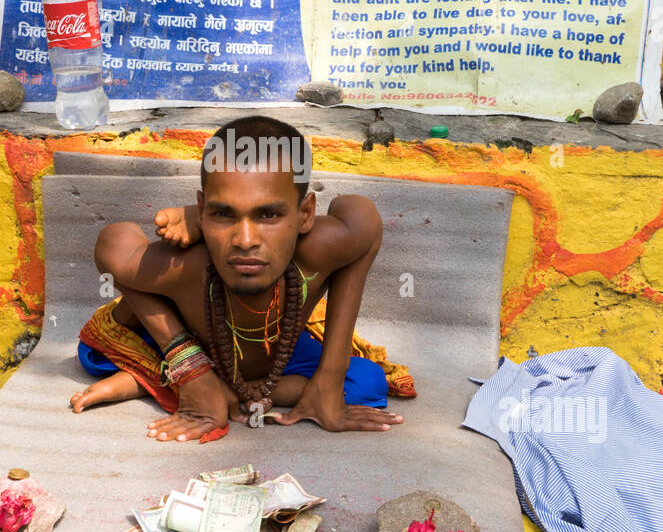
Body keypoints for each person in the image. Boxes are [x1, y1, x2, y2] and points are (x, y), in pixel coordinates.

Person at [71, 116, 414, 443]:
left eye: (268, 214)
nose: (245, 240)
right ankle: (187, 376)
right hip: (195, 341)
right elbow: (112, 242)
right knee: (93, 357)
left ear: (306, 214)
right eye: (223, 213)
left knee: (366, 381)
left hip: (277, 349)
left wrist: (330, 376)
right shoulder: (188, 266)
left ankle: (181, 385)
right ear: (203, 210)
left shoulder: (318, 251)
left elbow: (360, 214)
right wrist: (189, 365)